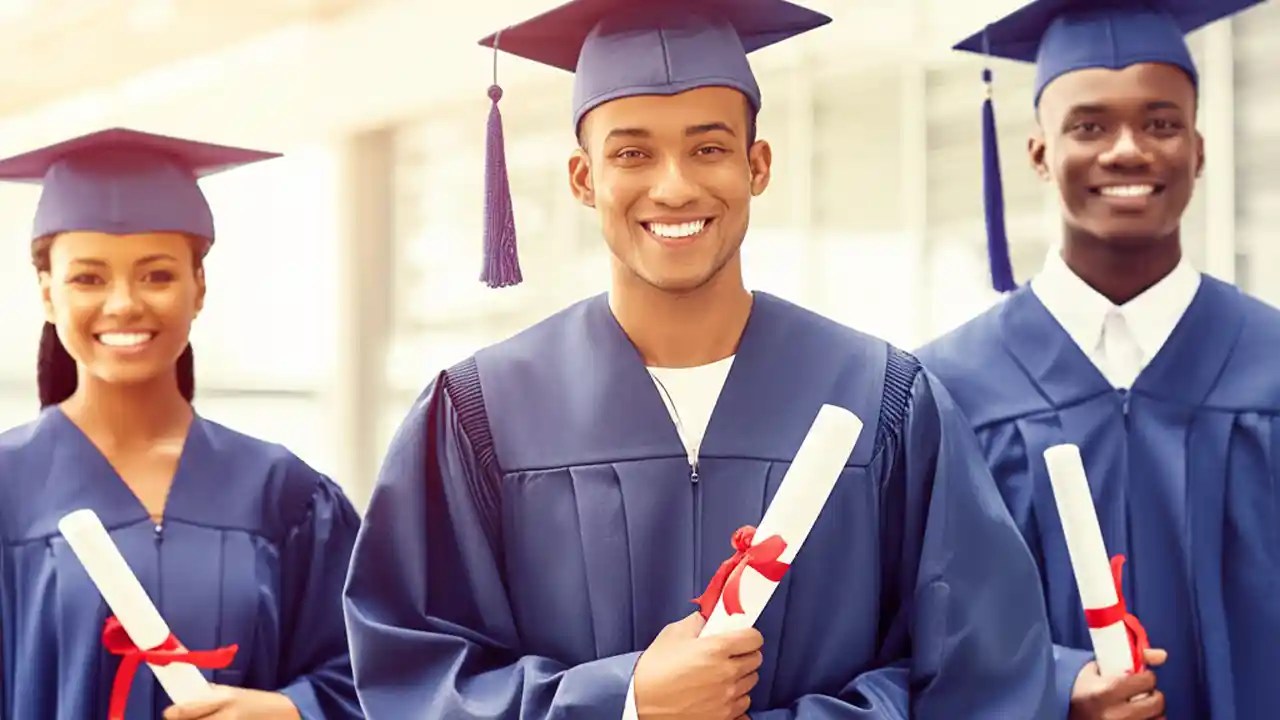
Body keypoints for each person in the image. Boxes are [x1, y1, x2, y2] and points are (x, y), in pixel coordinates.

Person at [342, 1, 1058, 718]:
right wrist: (623, 702)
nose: (675, 185)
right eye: (632, 153)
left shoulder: (884, 400)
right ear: (583, 180)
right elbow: (417, 678)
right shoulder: (480, 413)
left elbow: (981, 672)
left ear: (758, 165)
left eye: (709, 148)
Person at [917, 1, 1276, 718]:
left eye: (1161, 123)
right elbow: (918, 628)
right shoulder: (946, 387)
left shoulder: (1271, 366)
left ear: (1199, 150)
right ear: (1039, 153)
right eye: (1088, 125)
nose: (1127, 150)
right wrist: (1053, 688)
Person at [0, 128, 364, 719]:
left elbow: (378, 673)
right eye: (88, 278)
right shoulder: (7, 487)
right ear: (47, 294)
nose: (123, 304)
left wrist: (292, 711)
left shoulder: (287, 496)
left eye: (157, 275)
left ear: (199, 287)